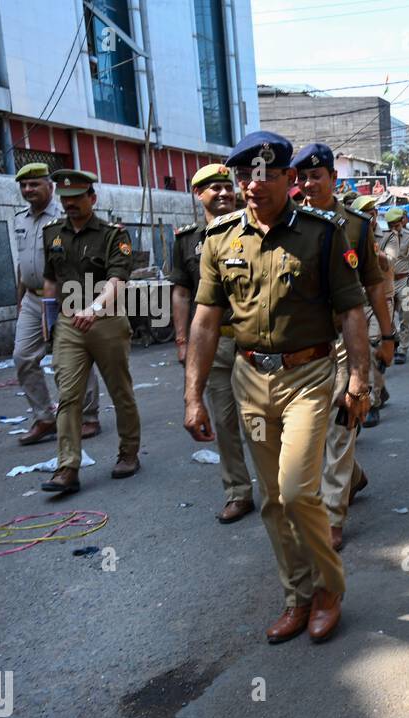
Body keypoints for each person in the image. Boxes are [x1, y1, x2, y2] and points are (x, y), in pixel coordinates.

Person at [184, 131, 370, 645]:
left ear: (290, 179)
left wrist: (358, 377)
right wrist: (193, 394)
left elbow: (351, 309)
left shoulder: (323, 233)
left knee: (295, 491)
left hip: (309, 375)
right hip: (249, 376)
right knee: (270, 500)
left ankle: (329, 588)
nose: (253, 185)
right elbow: (205, 321)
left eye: (265, 175)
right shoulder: (220, 241)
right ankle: (298, 595)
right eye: (245, 175)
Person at [291, 143, 394, 550]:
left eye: (316, 176)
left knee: (341, 421)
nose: (308, 184)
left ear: (334, 179)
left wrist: (387, 337)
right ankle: (351, 476)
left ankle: (333, 512)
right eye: (301, 177)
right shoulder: (287, 223)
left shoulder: (354, 225)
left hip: (344, 339)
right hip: (300, 342)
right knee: (308, 431)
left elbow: (373, 284)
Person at [37, 170, 141, 494]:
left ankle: (128, 453)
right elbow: (51, 280)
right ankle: (68, 467)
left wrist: (94, 309)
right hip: (68, 323)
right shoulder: (52, 233)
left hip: (105, 320)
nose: (69, 204)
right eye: (65, 199)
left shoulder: (114, 235)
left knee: (119, 390)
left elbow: (117, 281)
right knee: (68, 396)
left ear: (92, 199)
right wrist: (47, 317)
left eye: (76, 198)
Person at [169, 163, 255, 524]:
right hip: (216, 345)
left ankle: (307, 484)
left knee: (269, 422)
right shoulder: (186, 240)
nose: (222, 193)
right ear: (197, 194)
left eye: (226, 186)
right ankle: (238, 492)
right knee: (225, 422)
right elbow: (181, 291)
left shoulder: (253, 228)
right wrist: (182, 340)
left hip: (256, 341)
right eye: (212, 188)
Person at [11, 162, 100, 446]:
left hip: (66, 297)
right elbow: (22, 263)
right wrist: (20, 300)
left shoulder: (66, 216)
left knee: (74, 358)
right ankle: (44, 417)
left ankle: (89, 417)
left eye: (34, 184)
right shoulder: (19, 219)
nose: (28, 190)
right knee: (23, 357)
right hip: (32, 298)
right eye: (24, 185)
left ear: (50, 186)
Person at [352, 194, 396, 427]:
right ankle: (378, 392)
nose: (370, 216)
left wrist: (368, 245)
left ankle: (374, 400)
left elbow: (387, 263)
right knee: (364, 352)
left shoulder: (388, 236)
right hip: (357, 303)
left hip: (383, 301)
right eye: (365, 213)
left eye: (373, 212)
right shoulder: (347, 235)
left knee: (373, 347)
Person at [381, 206, 409, 364]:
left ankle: (403, 348)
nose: (394, 229)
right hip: (388, 282)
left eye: (396, 225)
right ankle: (395, 338)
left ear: (402, 222)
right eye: (391, 226)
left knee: (406, 316)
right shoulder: (383, 237)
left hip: (405, 281)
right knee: (386, 317)